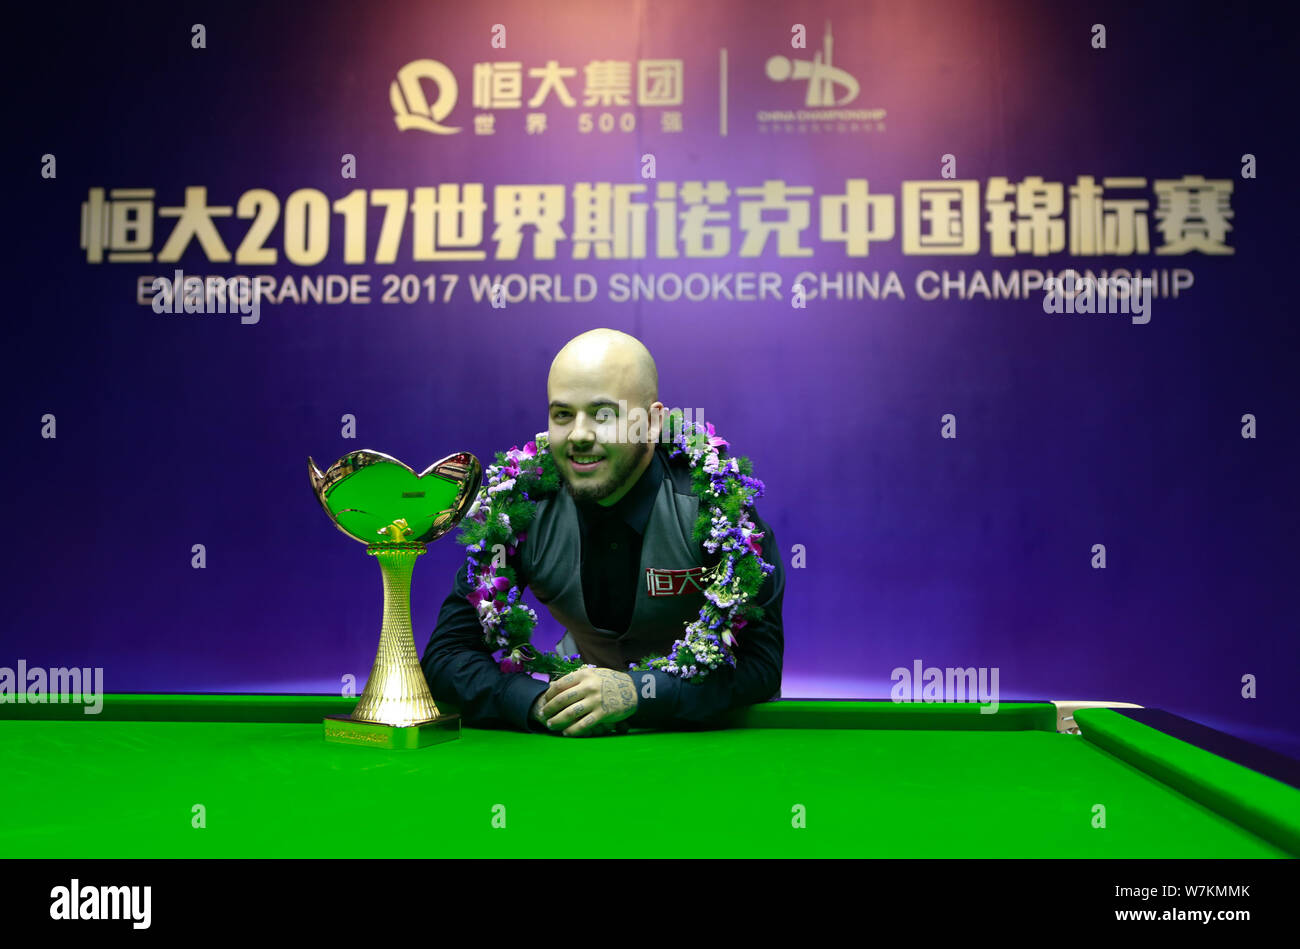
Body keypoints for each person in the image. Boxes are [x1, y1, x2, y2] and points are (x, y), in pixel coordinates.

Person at [420, 328, 784, 736]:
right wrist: (539, 702)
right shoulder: (518, 508)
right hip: (572, 745)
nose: (578, 435)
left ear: (651, 422)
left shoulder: (718, 509)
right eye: (562, 415)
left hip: (700, 747)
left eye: (603, 414)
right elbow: (447, 654)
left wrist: (638, 693)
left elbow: (759, 665)